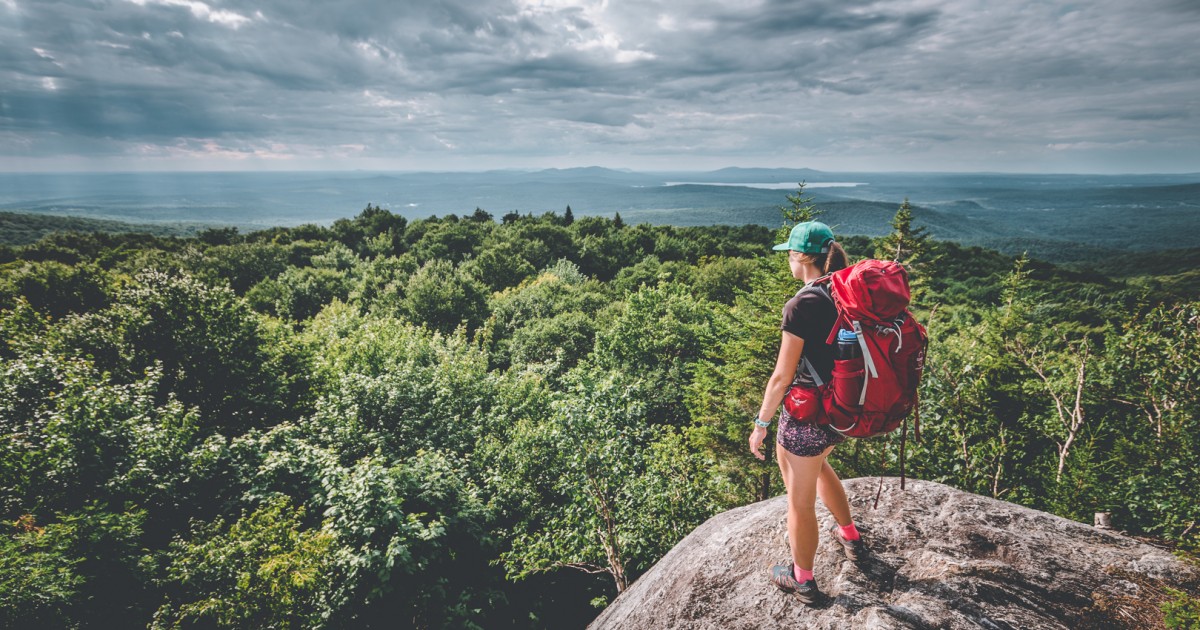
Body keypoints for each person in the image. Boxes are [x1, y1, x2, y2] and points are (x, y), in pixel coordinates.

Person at [748, 220, 867, 604]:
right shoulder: (845, 288)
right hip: (842, 409)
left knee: (798, 503)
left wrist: (761, 424)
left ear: (800, 257)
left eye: (790, 253)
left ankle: (803, 581)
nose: (789, 259)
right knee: (818, 466)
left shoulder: (802, 304)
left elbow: (782, 376)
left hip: (809, 415)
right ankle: (849, 535)